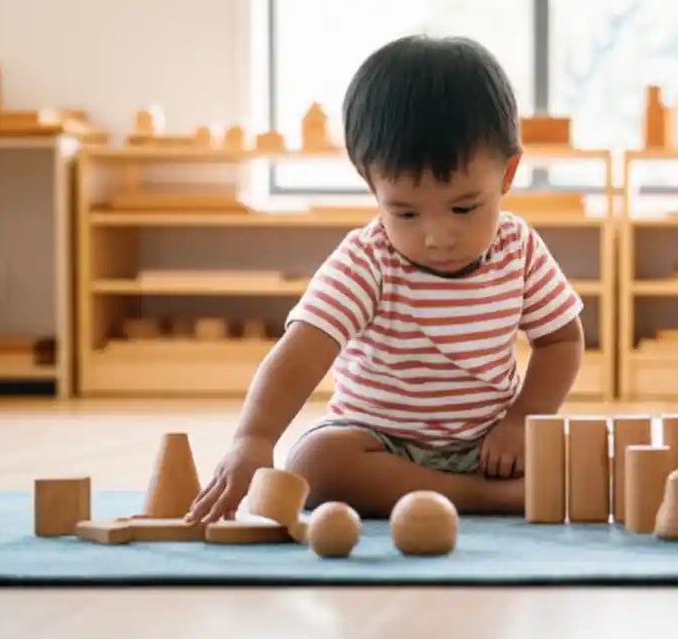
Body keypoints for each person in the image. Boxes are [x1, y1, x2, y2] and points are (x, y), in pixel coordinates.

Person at [185, 35, 584, 523]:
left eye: (463, 207)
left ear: (508, 174)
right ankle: (484, 500)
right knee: (315, 463)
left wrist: (523, 419)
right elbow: (301, 351)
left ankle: (482, 487)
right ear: (370, 184)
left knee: (584, 452)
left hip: (487, 448)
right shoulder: (367, 262)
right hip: (380, 446)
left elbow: (561, 340)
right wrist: (253, 439)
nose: (438, 237)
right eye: (406, 212)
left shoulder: (517, 249)